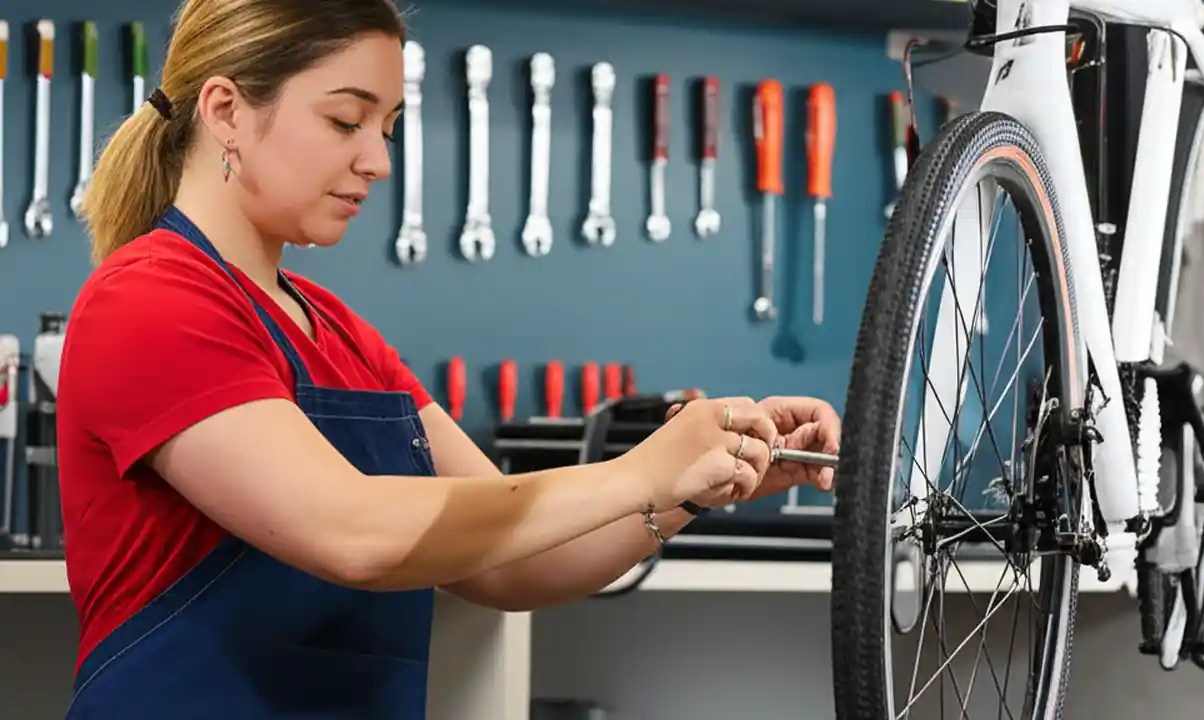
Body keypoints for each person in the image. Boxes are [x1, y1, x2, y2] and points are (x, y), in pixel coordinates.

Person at [58, 0, 842, 716]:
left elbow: (508, 564)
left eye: (388, 127)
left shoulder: (337, 330)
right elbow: (350, 531)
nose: (380, 162)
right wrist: (641, 469)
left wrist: (692, 483)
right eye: (345, 121)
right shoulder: (151, 300)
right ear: (226, 110)